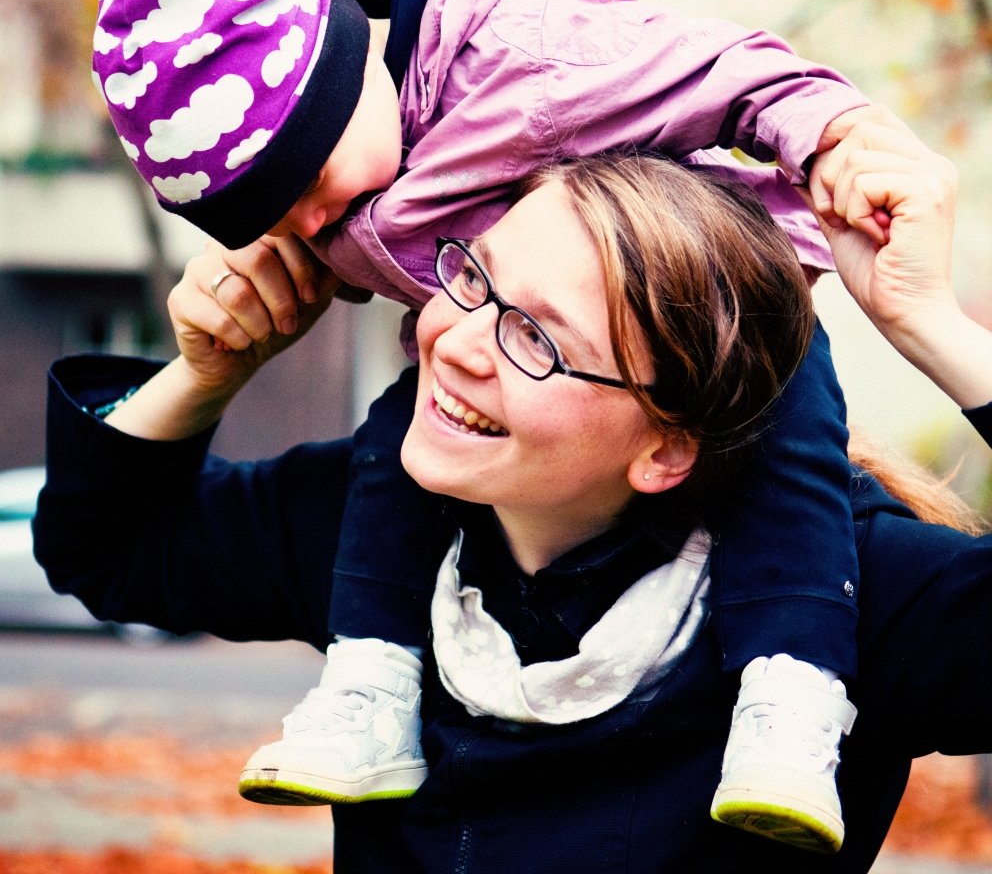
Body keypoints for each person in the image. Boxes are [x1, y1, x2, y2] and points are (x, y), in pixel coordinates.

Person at [92, 0, 910, 849]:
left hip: (733, 302)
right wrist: (207, 373)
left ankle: (793, 694)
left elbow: (731, 69)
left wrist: (844, 147)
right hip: (512, 443)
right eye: (262, 212)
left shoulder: (533, 56)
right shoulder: (362, 177)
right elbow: (107, 547)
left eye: (302, 179)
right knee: (397, 435)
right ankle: (370, 678)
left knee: (784, 435)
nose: (307, 226)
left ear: (352, 58)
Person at [34, 138, 992, 873]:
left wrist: (935, 329)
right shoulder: (381, 524)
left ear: (665, 446)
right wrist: (205, 375)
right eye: (473, 277)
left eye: (534, 334)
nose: (454, 343)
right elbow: (105, 548)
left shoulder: (846, 598)